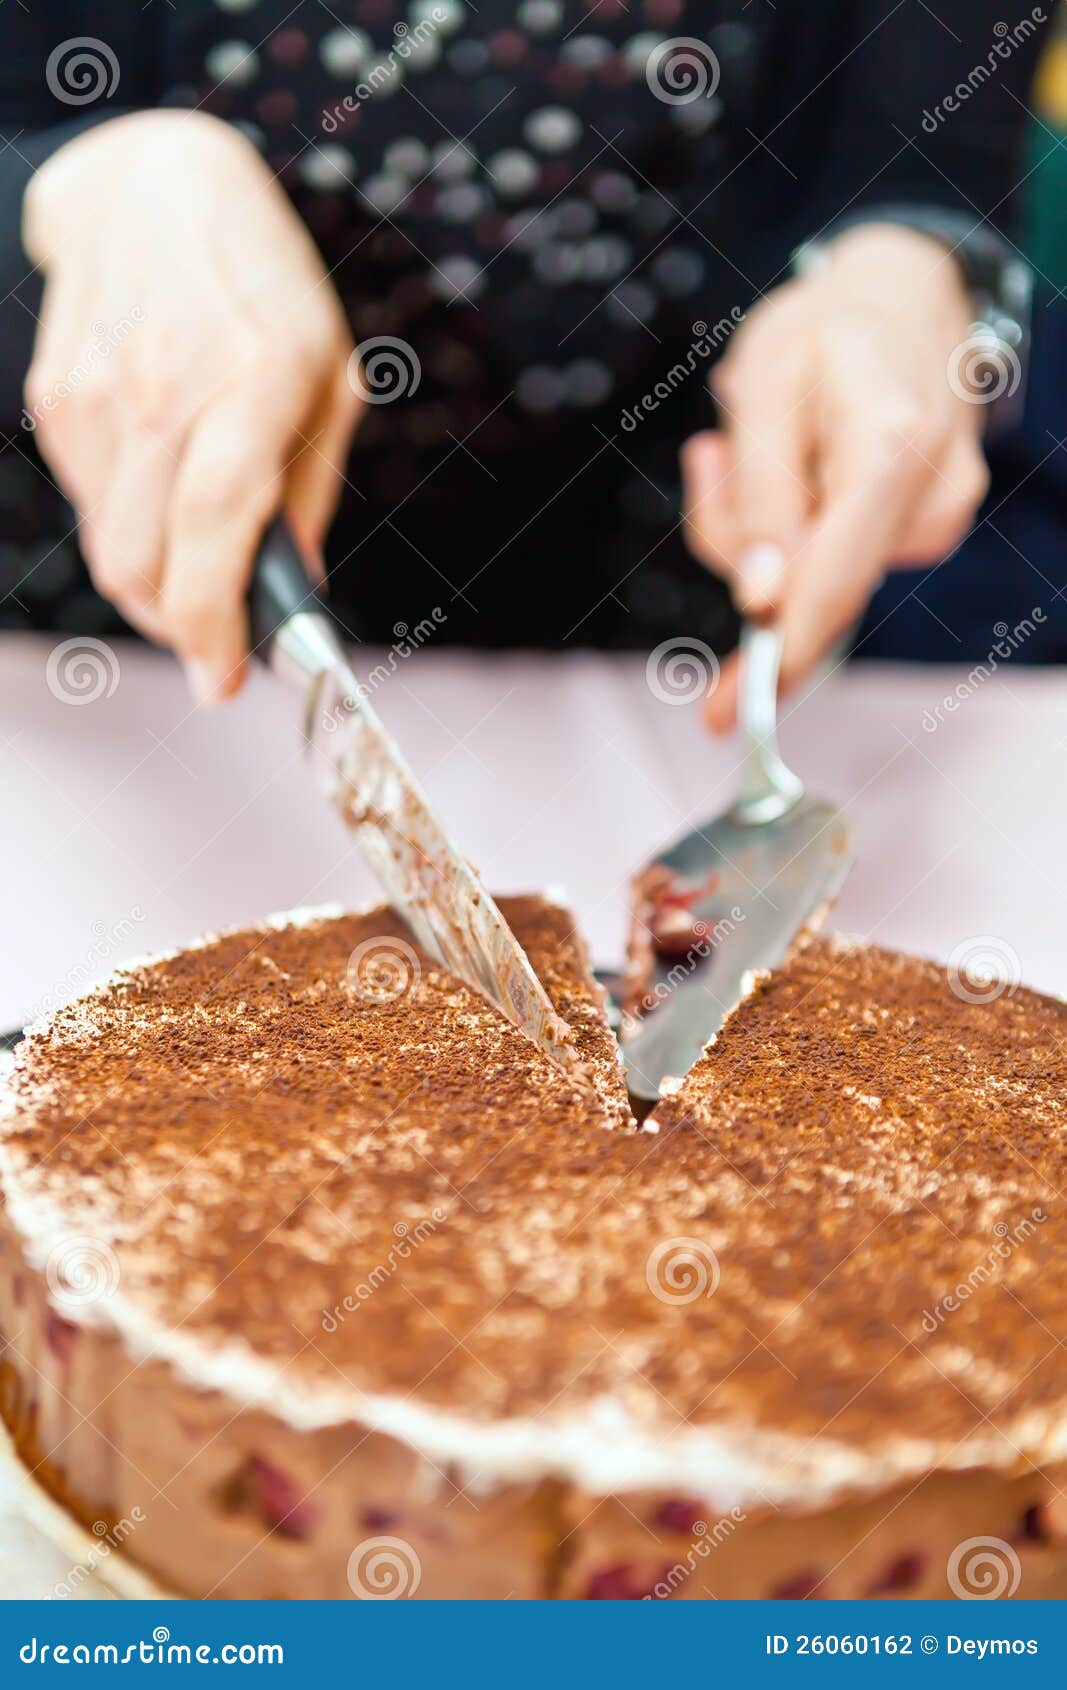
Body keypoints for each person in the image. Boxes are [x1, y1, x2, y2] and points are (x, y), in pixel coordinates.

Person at [0, 2, 1049, 726]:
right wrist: (79, 188)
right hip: (95, 666)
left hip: (675, 664)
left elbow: (918, 160)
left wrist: (897, 275)